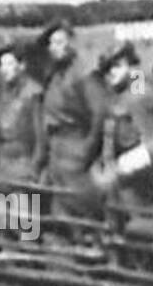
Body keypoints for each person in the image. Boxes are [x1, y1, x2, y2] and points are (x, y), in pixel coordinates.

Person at [39, 18, 107, 202]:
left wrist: (87, 148)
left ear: (71, 44)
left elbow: (100, 113)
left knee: (78, 201)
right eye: (51, 43)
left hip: (75, 144)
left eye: (59, 42)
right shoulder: (56, 75)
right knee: (62, 203)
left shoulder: (83, 73)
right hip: (57, 146)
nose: (54, 47)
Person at [92, 41, 153, 225]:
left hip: (138, 180)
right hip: (118, 179)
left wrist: (123, 166)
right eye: (106, 69)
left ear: (130, 64)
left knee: (140, 228)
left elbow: (151, 143)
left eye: (117, 66)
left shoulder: (138, 88)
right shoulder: (117, 93)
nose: (111, 72)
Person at [0, 42, 44, 182]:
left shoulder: (33, 92)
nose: (4, 69)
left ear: (21, 66)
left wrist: (34, 169)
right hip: (3, 165)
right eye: (2, 65)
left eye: (9, 64)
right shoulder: (5, 93)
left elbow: (41, 137)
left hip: (23, 164)